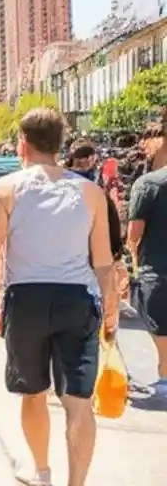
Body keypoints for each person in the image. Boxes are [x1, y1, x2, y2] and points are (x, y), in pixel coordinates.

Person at [0, 108, 117, 486]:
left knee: (33, 392)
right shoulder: (91, 193)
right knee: (79, 401)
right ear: (60, 145)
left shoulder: (5, 189)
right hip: (78, 300)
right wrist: (112, 309)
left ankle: (40, 471)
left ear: (22, 144)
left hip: (27, 301)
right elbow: (103, 263)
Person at [127, 122, 167, 400]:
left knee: (161, 330)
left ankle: (164, 376)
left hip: (158, 271)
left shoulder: (148, 184)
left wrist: (132, 265)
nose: (143, 144)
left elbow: (134, 234)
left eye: (149, 136)